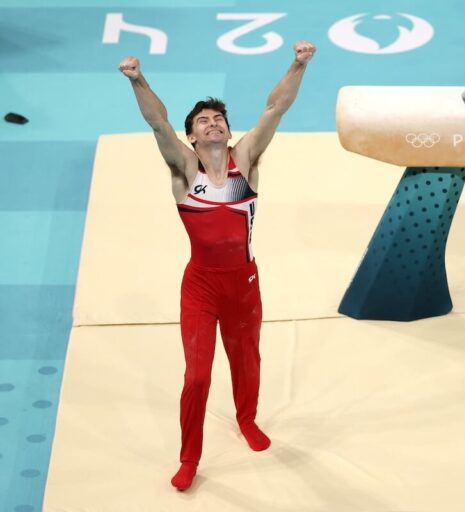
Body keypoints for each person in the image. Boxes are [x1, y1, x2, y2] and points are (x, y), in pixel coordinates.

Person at [118, 41, 316, 491]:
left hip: (245, 283)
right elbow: (157, 121)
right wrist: (137, 79)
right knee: (199, 374)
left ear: (228, 131)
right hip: (202, 287)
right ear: (192, 136)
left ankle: (247, 419)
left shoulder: (245, 160)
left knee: (247, 361)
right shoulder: (185, 171)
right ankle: (190, 456)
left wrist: (299, 64)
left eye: (218, 119)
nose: (213, 123)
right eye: (203, 121)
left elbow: (274, 109)